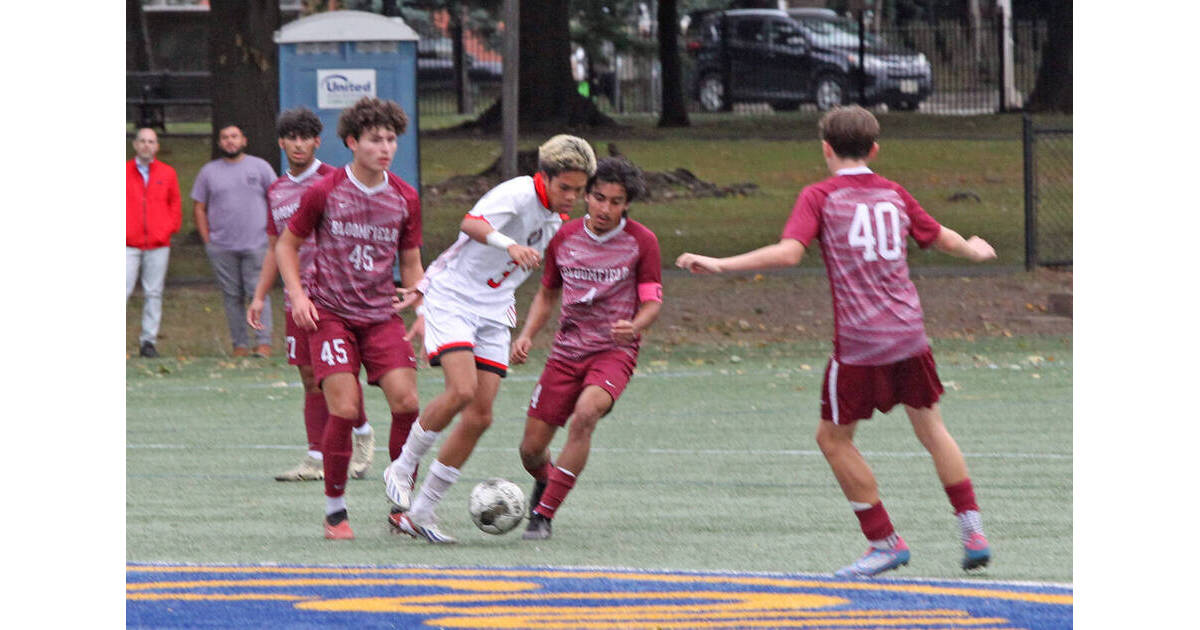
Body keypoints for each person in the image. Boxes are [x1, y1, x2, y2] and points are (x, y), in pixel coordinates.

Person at [676, 105, 996, 578]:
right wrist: (973, 247)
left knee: (832, 439)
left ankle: (885, 542)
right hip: (910, 336)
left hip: (861, 344)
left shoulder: (820, 195)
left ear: (825, 148)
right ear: (874, 149)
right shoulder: (894, 193)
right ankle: (972, 531)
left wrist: (722, 263)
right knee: (932, 430)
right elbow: (939, 235)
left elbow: (789, 254)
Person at [383, 135, 597, 544]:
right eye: (564, 187)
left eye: (579, 190)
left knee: (481, 416)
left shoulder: (559, 222)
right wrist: (509, 245)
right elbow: (470, 225)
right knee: (461, 390)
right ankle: (402, 465)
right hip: (454, 299)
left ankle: (420, 513)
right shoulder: (518, 193)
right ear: (545, 177)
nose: (571, 197)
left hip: (495, 311)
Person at [276, 97, 423, 540]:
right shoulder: (325, 191)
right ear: (352, 143)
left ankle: (400, 506)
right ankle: (335, 511)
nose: (386, 148)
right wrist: (298, 295)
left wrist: (422, 302)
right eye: (375, 139)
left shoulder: (404, 197)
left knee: (408, 404)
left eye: (391, 139)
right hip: (332, 316)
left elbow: (411, 262)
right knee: (343, 408)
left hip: (380, 318)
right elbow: (286, 246)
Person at [510, 157, 663, 540]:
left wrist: (636, 325)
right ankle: (548, 483)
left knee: (586, 414)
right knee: (531, 450)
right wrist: (527, 333)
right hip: (565, 354)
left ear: (627, 204)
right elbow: (547, 294)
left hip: (613, 352)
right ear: (585, 196)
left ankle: (543, 515)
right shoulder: (564, 237)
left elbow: (652, 302)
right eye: (599, 198)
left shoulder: (642, 242)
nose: (605, 209)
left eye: (616, 201)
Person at [246, 108, 377, 483]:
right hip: (295, 297)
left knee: (337, 374)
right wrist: (259, 296)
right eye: (292, 137)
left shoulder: (336, 181)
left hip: (333, 297)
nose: (299, 144)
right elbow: (276, 247)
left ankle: (362, 433)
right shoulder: (276, 190)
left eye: (306, 137)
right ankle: (315, 457)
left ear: (318, 141)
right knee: (308, 377)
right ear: (282, 143)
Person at [191, 124, 279, 357]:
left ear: (244, 140)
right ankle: (239, 345)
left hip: (257, 245)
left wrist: (273, 235)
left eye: (234, 137)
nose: (230, 141)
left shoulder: (260, 167)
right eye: (225, 138)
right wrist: (207, 240)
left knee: (258, 294)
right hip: (222, 248)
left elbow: (277, 200)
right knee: (232, 298)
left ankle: (263, 343)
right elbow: (199, 207)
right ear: (219, 143)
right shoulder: (208, 172)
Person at [127, 127, 181, 358]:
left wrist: (167, 229)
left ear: (157, 146)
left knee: (154, 293)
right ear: (135, 145)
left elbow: (175, 205)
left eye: (151, 141)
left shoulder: (167, 173)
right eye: (143, 141)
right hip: (127, 243)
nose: (147, 145)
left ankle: (148, 341)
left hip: (158, 243)